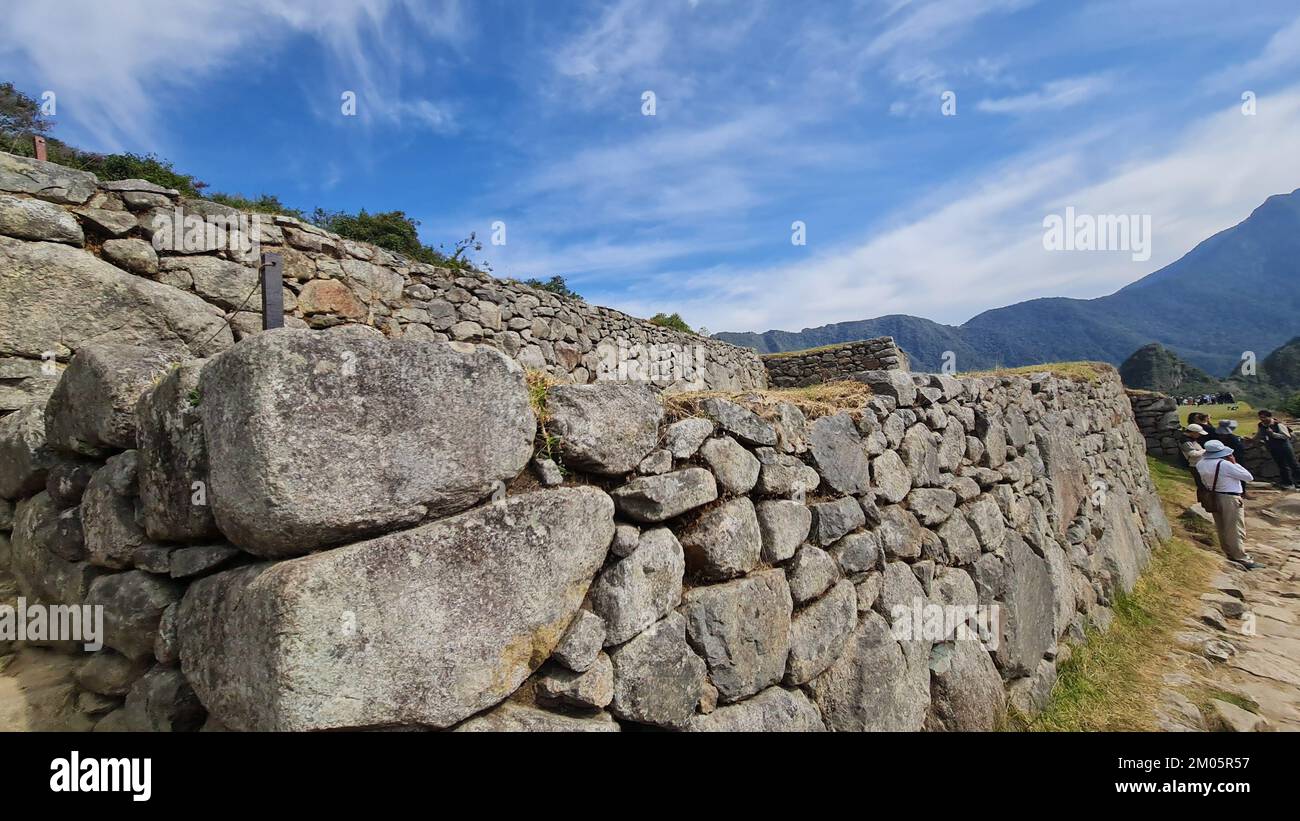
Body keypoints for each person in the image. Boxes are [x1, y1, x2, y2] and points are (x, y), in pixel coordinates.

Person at [1196, 440, 1263, 570]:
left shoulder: (1201, 463)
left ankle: (1229, 551)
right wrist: (1234, 463)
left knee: (1221, 526)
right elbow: (1248, 477)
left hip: (1214, 496)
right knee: (1234, 528)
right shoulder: (1225, 464)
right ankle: (1240, 556)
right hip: (1230, 497)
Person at [1255, 410, 1299, 490]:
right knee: (1281, 465)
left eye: (1264, 417)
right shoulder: (1261, 425)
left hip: (1284, 446)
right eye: (1261, 417)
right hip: (1272, 447)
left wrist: (1273, 434)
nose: (1262, 419)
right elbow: (1259, 435)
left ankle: (1298, 482)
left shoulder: (1278, 424)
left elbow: (1286, 436)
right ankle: (1287, 483)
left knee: (1292, 463)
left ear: (1270, 417)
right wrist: (1254, 440)